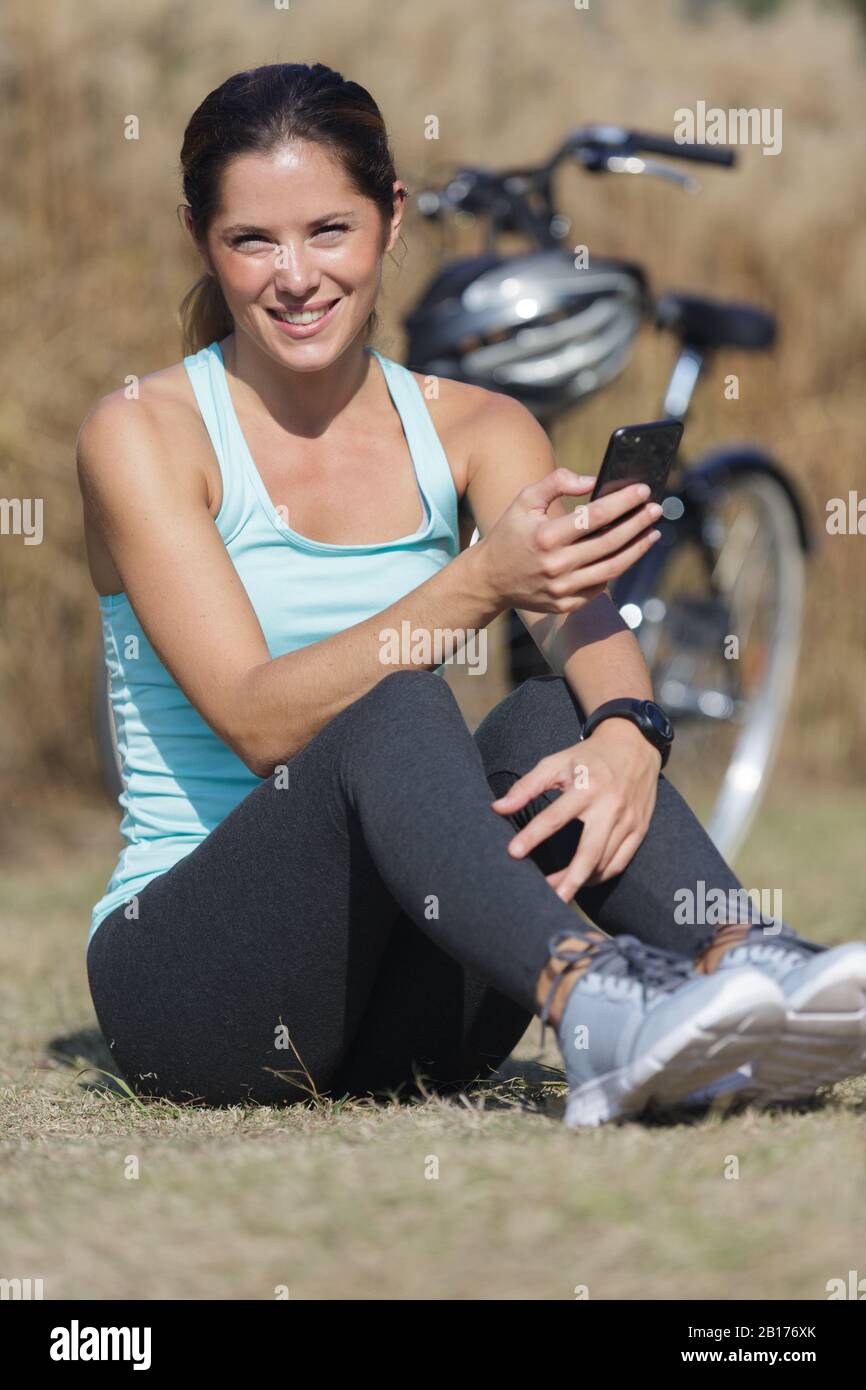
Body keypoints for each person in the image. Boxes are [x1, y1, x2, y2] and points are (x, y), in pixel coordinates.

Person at [77, 63, 866, 1129]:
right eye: (251, 240)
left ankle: (737, 954)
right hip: (197, 991)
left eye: (328, 230)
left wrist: (629, 731)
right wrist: (478, 580)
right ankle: (593, 997)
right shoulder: (143, 433)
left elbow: (577, 619)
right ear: (198, 239)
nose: (295, 275)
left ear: (391, 218)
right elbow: (258, 719)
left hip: (414, 1010)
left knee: (549, 715)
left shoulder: (480, 429)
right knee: (398, 702)